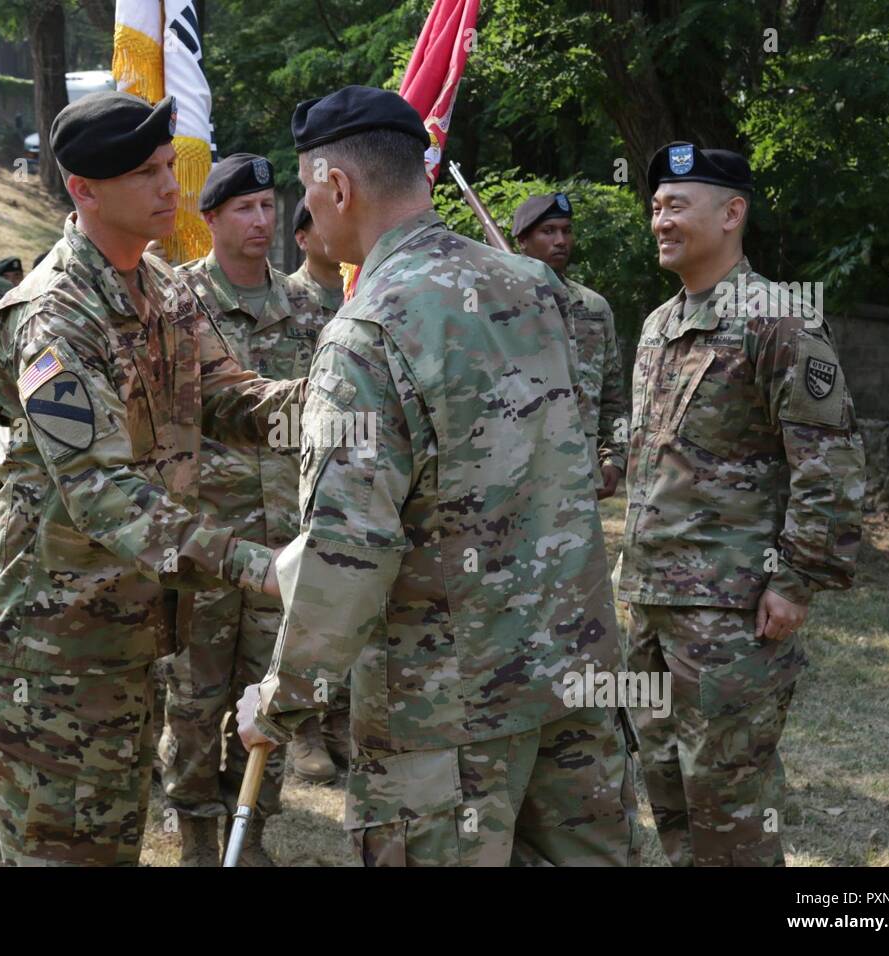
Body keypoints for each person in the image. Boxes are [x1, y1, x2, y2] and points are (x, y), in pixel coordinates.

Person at [236, 86, 634, 867]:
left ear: (338, 187)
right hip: (575, 678)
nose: (308, 212)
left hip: (445, 715)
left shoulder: (365, 332)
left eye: (309, 192)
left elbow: (349, 552)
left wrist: (279, 702)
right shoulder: (540, 289)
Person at [0, 91, 305, 867]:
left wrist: (335, 399)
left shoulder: (162, 288)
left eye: (169, 167)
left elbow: (231, 398)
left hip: (129, 622)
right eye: (147, 174)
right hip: (53, 639)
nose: (171, 188)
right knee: (61, 851)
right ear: (84, 191)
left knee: (114, 840)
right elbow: (102, 494)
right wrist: (262, 567)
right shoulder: (55, 316)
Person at [617, 142, 866, 866]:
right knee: (665, 788)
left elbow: (831, 463)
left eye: (677, 206)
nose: (660, 220)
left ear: (732, 213)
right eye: (656, 206)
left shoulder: (781, 322)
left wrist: (796, 581)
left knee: (728, 803)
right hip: (653, 602)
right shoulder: (659, 327)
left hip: (732, 612)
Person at [160, 154, 331, 865]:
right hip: (206, 537)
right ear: (210, 221)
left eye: (269, 206)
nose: (262, 221)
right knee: (196, 697)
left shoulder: (312, 308)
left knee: (272, 687)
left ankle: (250, 829)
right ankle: (199, 834)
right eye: (244, 209)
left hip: (285, 538)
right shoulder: (174, 303)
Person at [283, 196, 348, 783]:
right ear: (302, 237)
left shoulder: (364, 294)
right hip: (298, 471)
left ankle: (341, 722)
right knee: (304, 607)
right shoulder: (288, 299)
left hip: (356, 467)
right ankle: (304, 728)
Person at [512, 192, 628, 498]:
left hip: (580, 475)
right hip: (514, 479)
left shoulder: (594, 307)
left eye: (566, 230)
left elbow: (615, 397)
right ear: (522, 240)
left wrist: (614, 456)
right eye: (548, 231)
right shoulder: (496, 306)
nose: (560, 240)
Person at [288, 197, 343, 314]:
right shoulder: (284, 297)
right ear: (302, 239)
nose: (341, 229)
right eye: (329, 221)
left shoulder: (367, 290)